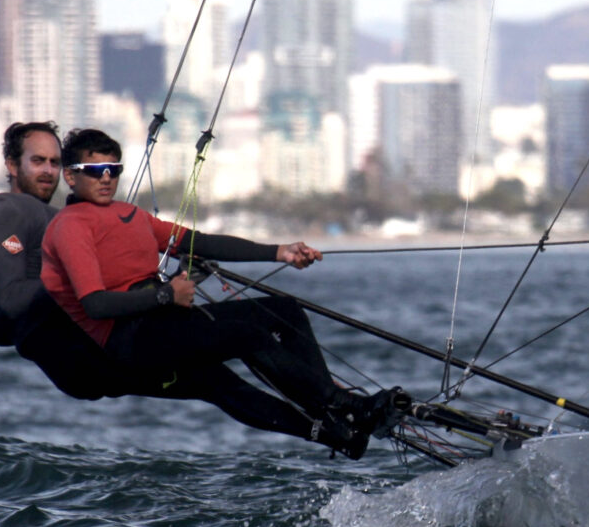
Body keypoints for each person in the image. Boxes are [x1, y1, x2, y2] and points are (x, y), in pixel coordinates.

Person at [38, 127, 399, 457]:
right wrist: (165, 295)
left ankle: (332, 414)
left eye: (113, 169)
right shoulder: (70, 226)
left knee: (283, 312)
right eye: (94, 170)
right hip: (130, 338)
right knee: (243, 339)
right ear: (70, 176)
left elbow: (200, 242)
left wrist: (279, 252)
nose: (106, 178)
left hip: (167, 320)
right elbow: (95, 304)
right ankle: (344, 405)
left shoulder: (131, 214)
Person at [0, 120, 147, 399]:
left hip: (72, 343)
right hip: (49, 341)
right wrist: (79, 272)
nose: (48, 171)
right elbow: (13, 300)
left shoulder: (53, 217)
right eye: (38, 161)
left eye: (54, 163)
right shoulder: (6, 210)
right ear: (12, 166)